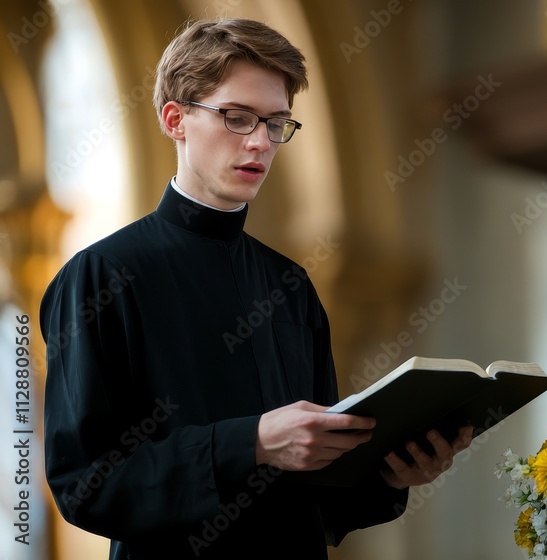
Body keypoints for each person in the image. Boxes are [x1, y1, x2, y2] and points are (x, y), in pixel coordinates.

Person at [40, 18, 472, 560]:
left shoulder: (292, 284)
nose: (259, 142)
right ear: (175, 118)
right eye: (237, 117)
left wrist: (393, 474)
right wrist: (253, 443)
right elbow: (88, 488)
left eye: (276, 123)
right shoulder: (100, 276)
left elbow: (323, 501)